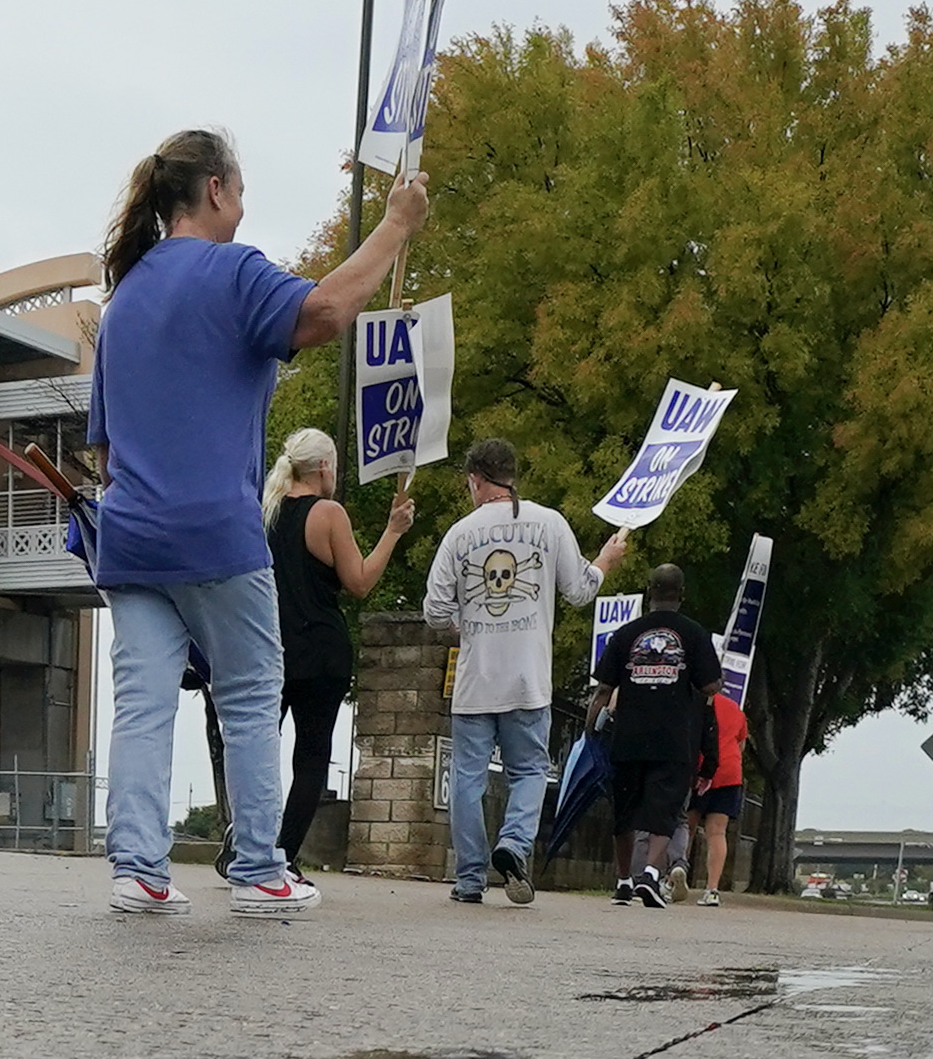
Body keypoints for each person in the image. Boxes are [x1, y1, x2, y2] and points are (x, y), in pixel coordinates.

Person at [89, 128, 428, 918]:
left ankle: (137, 869)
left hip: (129, 533)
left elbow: (103, 452)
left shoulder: (123, 300)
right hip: (213, 527)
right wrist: (395, 225)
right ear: (213, 189)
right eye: (238, 191)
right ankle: (258, 869)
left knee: (142, 703)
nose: (241, 207)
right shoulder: (232, 270)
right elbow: (325, 312)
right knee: (247, 694)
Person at [423, 439, 626, 905]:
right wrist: (605, 561)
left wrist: (464, 624)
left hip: (475, 681)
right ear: (512, 475)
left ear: (475, 480)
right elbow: (579, 590)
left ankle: (469, 879)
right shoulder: (549, 523)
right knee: (530, 770)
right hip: (528, 679)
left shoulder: (459, 534)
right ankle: (513, 845)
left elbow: (434, 610)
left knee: (467, 780)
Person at [263, 428, 414, 878]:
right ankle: (284, 854)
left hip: (269, 647)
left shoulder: (264, 511)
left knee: (256, 748)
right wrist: (392, 531)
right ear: (324, 467)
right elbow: (359, 581)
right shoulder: (328, 513)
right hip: (320, 650)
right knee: (311, 758)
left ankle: (248, 838)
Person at [594, 564, 723, 906]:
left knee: (624, 812)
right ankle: (650, 874)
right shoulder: (694, 634)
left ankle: (624, 881)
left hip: (628, 736)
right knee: (664, 811)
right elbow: (711, 685)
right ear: (682, 594)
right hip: (674, 738)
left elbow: (603, 689)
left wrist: (590, 731)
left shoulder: (625, 634)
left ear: (649, 591)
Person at [687, 680, 748, 905]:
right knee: (717, 833)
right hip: (729, 772)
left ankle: (672, 880)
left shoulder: (693, 704)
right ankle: (712, 889)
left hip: (698, 770)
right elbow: (741, 743)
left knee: (686, 828)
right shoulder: (735, 709)